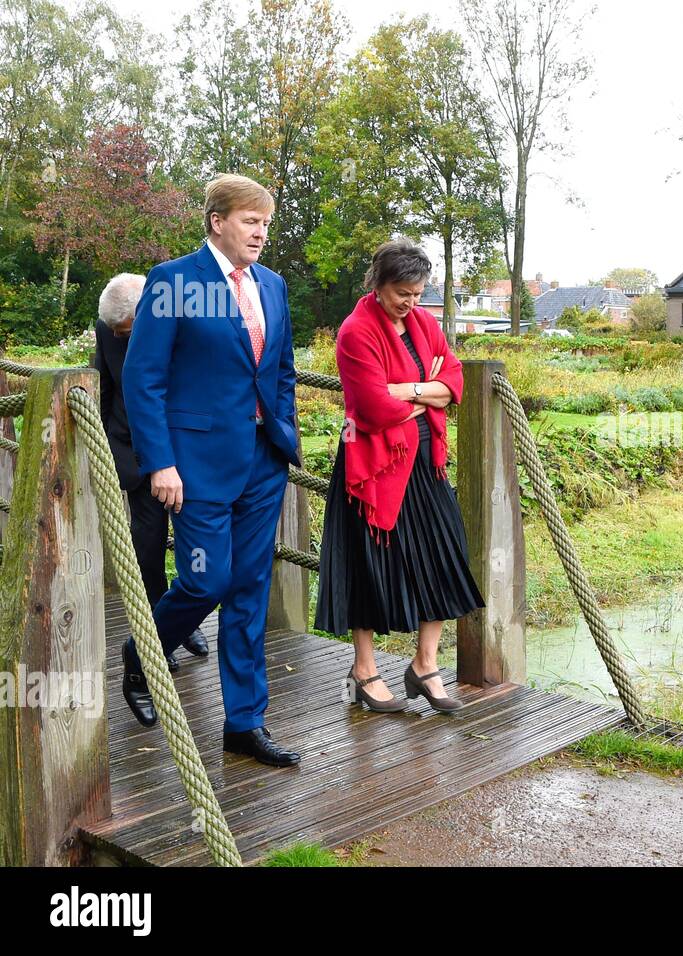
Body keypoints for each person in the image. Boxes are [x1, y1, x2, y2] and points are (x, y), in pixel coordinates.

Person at [120, 173, 303, 768]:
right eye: (251, 221)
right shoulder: (175, 281)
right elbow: (143, 379)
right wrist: (161, 463)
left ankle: (244, 723)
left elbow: (280, 371)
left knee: (249, 590)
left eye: (267, 223)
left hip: (262, 463)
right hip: (194, 466)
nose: (260, 232)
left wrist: (285, 434)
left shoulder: (272, 286)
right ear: (217, 221)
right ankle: (142, 655)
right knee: (206, 580)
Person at [314, 238, 485, 714]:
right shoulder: (356, 332)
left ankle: (424, 665)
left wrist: (407, 390)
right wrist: (423, 395)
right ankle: (364, 670)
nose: (411, 302)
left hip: (425, 464)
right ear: (378, 284)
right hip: (373, 467)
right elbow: (372, 408)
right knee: (370, 569)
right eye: (402, 292)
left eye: (418, 291)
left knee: (445, 559)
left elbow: (454, 381)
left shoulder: (425, 323)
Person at [94, 273, 209, 674]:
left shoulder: (185, 318)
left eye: (124, 330)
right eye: (113, 330)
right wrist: (107, 447)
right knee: (147, 546)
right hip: (133, 453)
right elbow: (105, 383)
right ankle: (157, 633)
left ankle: (183, 621)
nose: (117, 336)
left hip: (184, 452)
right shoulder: (109, 323)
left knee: (196, 548)